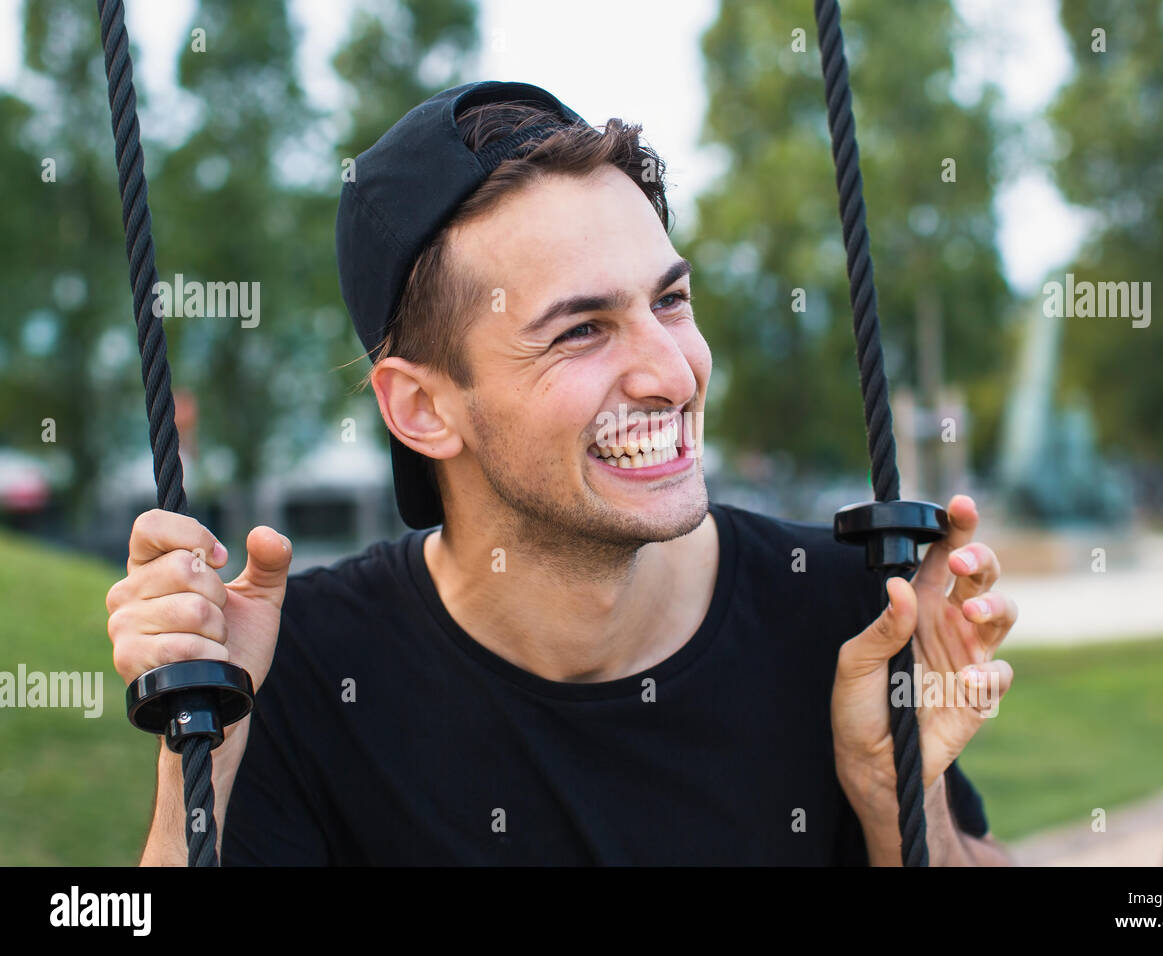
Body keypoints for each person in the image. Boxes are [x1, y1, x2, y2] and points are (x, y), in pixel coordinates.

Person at [105, 80, 1017, 865]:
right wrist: (202, 758)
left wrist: (900, 800)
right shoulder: (288, 670)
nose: (670, 372)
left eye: (670, 300)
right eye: (581, 330)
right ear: (421, 408)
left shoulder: (846, 610)